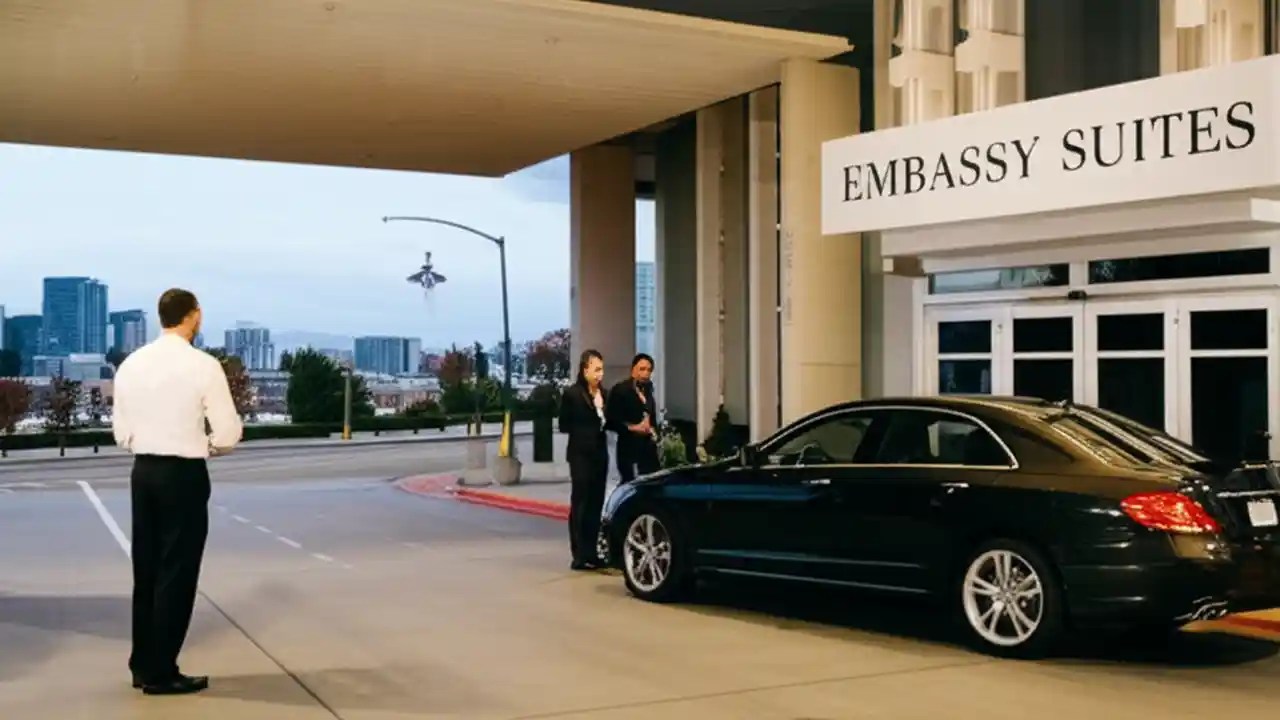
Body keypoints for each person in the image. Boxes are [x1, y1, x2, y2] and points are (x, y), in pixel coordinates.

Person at [112, 288, 243, 695]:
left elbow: (121, 431)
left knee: (146, 570)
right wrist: (203, 447)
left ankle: (142, 663)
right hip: (183, 474)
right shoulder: (203, 365)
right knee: (177, 571)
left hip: (144, 471)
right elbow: (226, 432)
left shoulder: (131, 364)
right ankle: (162, 670)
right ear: (195, 316)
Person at [558, 348, 610, 570]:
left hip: (600, 453)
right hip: (580, 453)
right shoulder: (572, 394)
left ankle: (592, 552)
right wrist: (584, 429)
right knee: (581, 501)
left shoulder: (604, 395)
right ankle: (578, 553)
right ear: (585, 369)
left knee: (596, 502)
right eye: (596, 369)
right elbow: (563, 425)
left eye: (602, 369)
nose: (600, 374)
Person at [606, 353, 660, 484]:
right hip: (628, 447)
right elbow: (611, 420)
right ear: (633, 370)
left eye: (649, 370)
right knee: (630, 484)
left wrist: (654, 431)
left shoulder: (649, 390)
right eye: (642, 369)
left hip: (648, 448)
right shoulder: (620, 390)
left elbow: (651, 417)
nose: (645, 373)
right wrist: (633, 428)